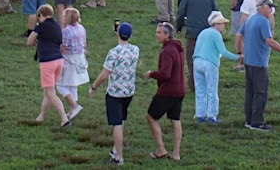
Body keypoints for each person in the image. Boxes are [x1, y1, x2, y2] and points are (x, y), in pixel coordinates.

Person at [235, 0, 280, 131]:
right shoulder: (263, 22)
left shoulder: (250, 19)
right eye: (269, 7)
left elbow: (238, 35)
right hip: (259, 62)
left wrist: (239, 53)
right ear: (261, 7)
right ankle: (257, 122)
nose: (271, 10)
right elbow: (269, 41)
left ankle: (249, 120)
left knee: (250, 92)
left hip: (249, 61)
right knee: (260, 93)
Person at [88, 22, 139, 165]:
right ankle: (116, 148)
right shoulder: (135, 50)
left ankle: (118, 157)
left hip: (115, 94)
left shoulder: (114, 53)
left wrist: (93, 87)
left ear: (117, 33)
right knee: (121, 119)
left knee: (116, 123)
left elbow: (104, 75)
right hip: (129, 91)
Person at [26, 4, 72, 127]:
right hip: (58, 60)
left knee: (51, 92)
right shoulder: (57, 26)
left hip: (47, 61)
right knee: (48, 91)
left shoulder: (40, 26)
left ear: (40, 15)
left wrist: (36, 33)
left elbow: (29, 42)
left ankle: (64, 118)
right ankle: (41, 116)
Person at [145, 22, 185, 160]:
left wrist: (151, 74)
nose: (156, 35)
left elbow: (165, 74)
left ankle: (161, 149)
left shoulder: (167, 50)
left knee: (151, 117)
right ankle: (176, 153)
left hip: (168, 91)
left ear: (167, 35)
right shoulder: (178, 48)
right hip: (180, 90)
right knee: (175, 120)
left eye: (159, 32)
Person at [193, 10, 240, 123]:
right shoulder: (216, 34)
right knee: (212, 90)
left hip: (197, 61)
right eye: (222, 23)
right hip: (210, 63)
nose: (224, 25)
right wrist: (238, 57)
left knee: (200, 90)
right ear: (216, 23)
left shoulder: (203, 32)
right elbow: (223, 52)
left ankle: (200, 114)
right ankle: (211, 115)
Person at [175, 0, 217, 93]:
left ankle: (194, 85)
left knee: (192, 59)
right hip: (207, 34)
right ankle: (208, 82)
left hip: (192, 34)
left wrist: (178, 27)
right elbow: (216, 13)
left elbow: (180, 13)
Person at [58, 7, 89, 121]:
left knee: (60, 85)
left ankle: (75, 106)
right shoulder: (81, 28)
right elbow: (84, 44)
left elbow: (63, 47)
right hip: (80, 58)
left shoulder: (66, 31)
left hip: (69, 59)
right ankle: (72, 110)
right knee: (73, 85)